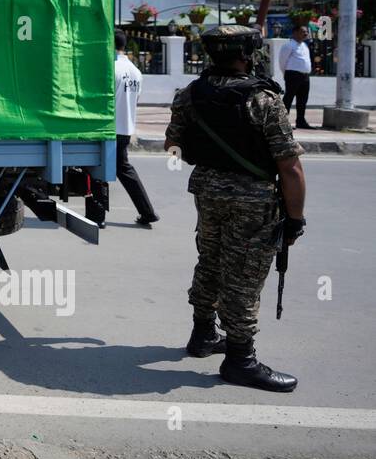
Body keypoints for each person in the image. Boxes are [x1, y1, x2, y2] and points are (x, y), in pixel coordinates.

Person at [164, 25, 305, 393]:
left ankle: (203, 335)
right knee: (243, 273)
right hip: (253, 199)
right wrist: (295, 219)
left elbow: (172, 147)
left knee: (210, 259)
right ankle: (241, 360)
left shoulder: (190, 94)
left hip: (208, 192)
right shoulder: (263, 101)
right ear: (246, 54)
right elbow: (290, 166)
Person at [113, 30, 159, 226]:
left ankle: (96, 216)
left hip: (109, 128)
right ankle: (147, 212)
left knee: (100, 170)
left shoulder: (110, 67)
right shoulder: (135, 71)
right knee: (123, 169)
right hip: (126, 127)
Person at [279, 24, 313, 129]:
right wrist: (285, 73)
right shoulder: (289, 45)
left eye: (306, 32)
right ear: (295, 33)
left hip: (305, 76)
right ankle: (283, 121)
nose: (306, 34)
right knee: (288, 98)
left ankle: (300, 121)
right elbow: (282, 61)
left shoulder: (304, 45)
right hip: (293, 74)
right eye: (303, 31)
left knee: (302, 100)